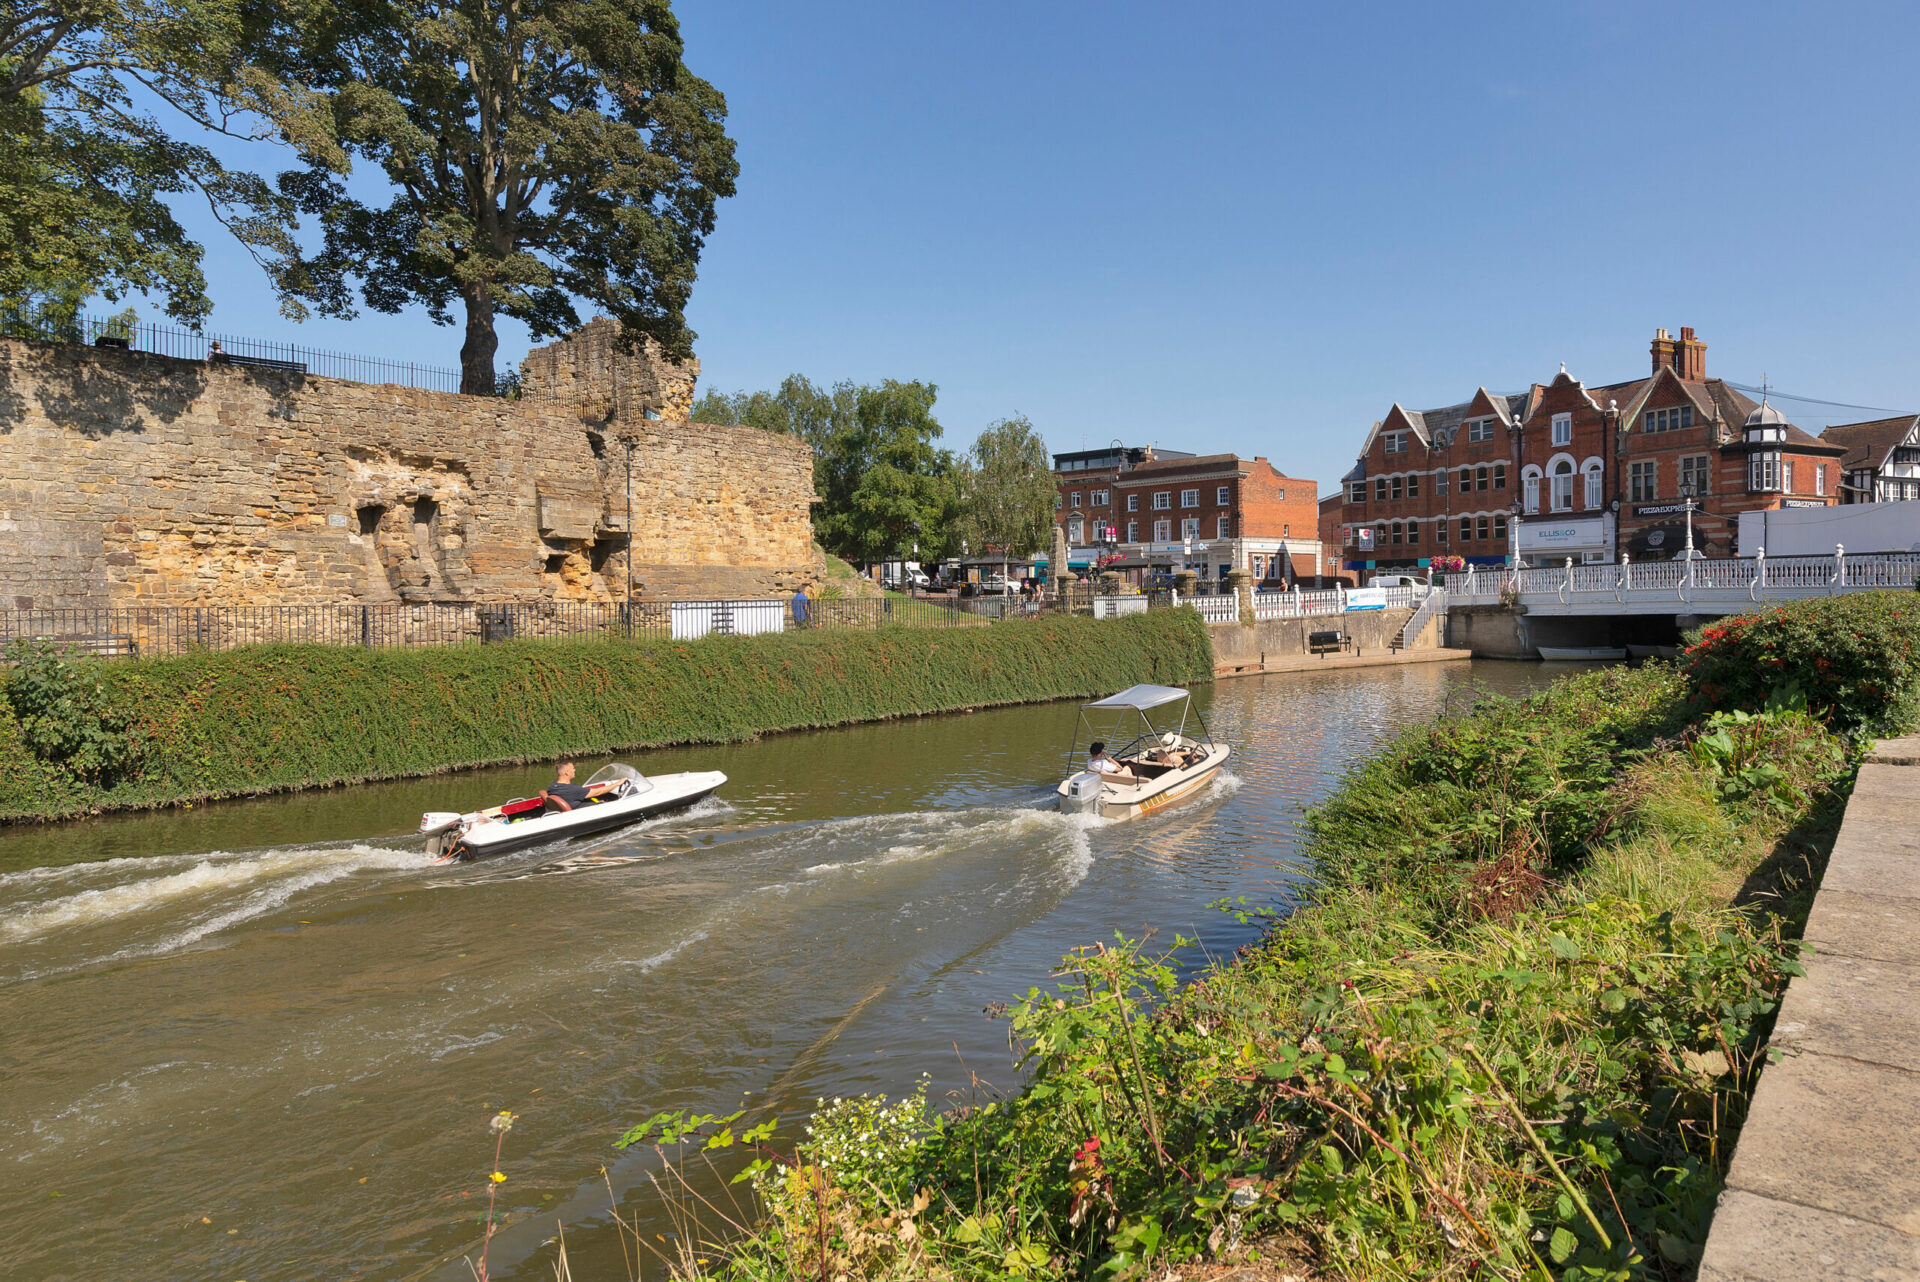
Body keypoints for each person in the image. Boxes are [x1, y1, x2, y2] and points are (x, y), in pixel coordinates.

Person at [541, 761, 611, 812]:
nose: (575, 770)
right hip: (588, 812)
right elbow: (598, 792)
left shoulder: (552, 787)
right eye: (573, 768)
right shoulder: (572, 789)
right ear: (567, 773)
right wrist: (617, 784)